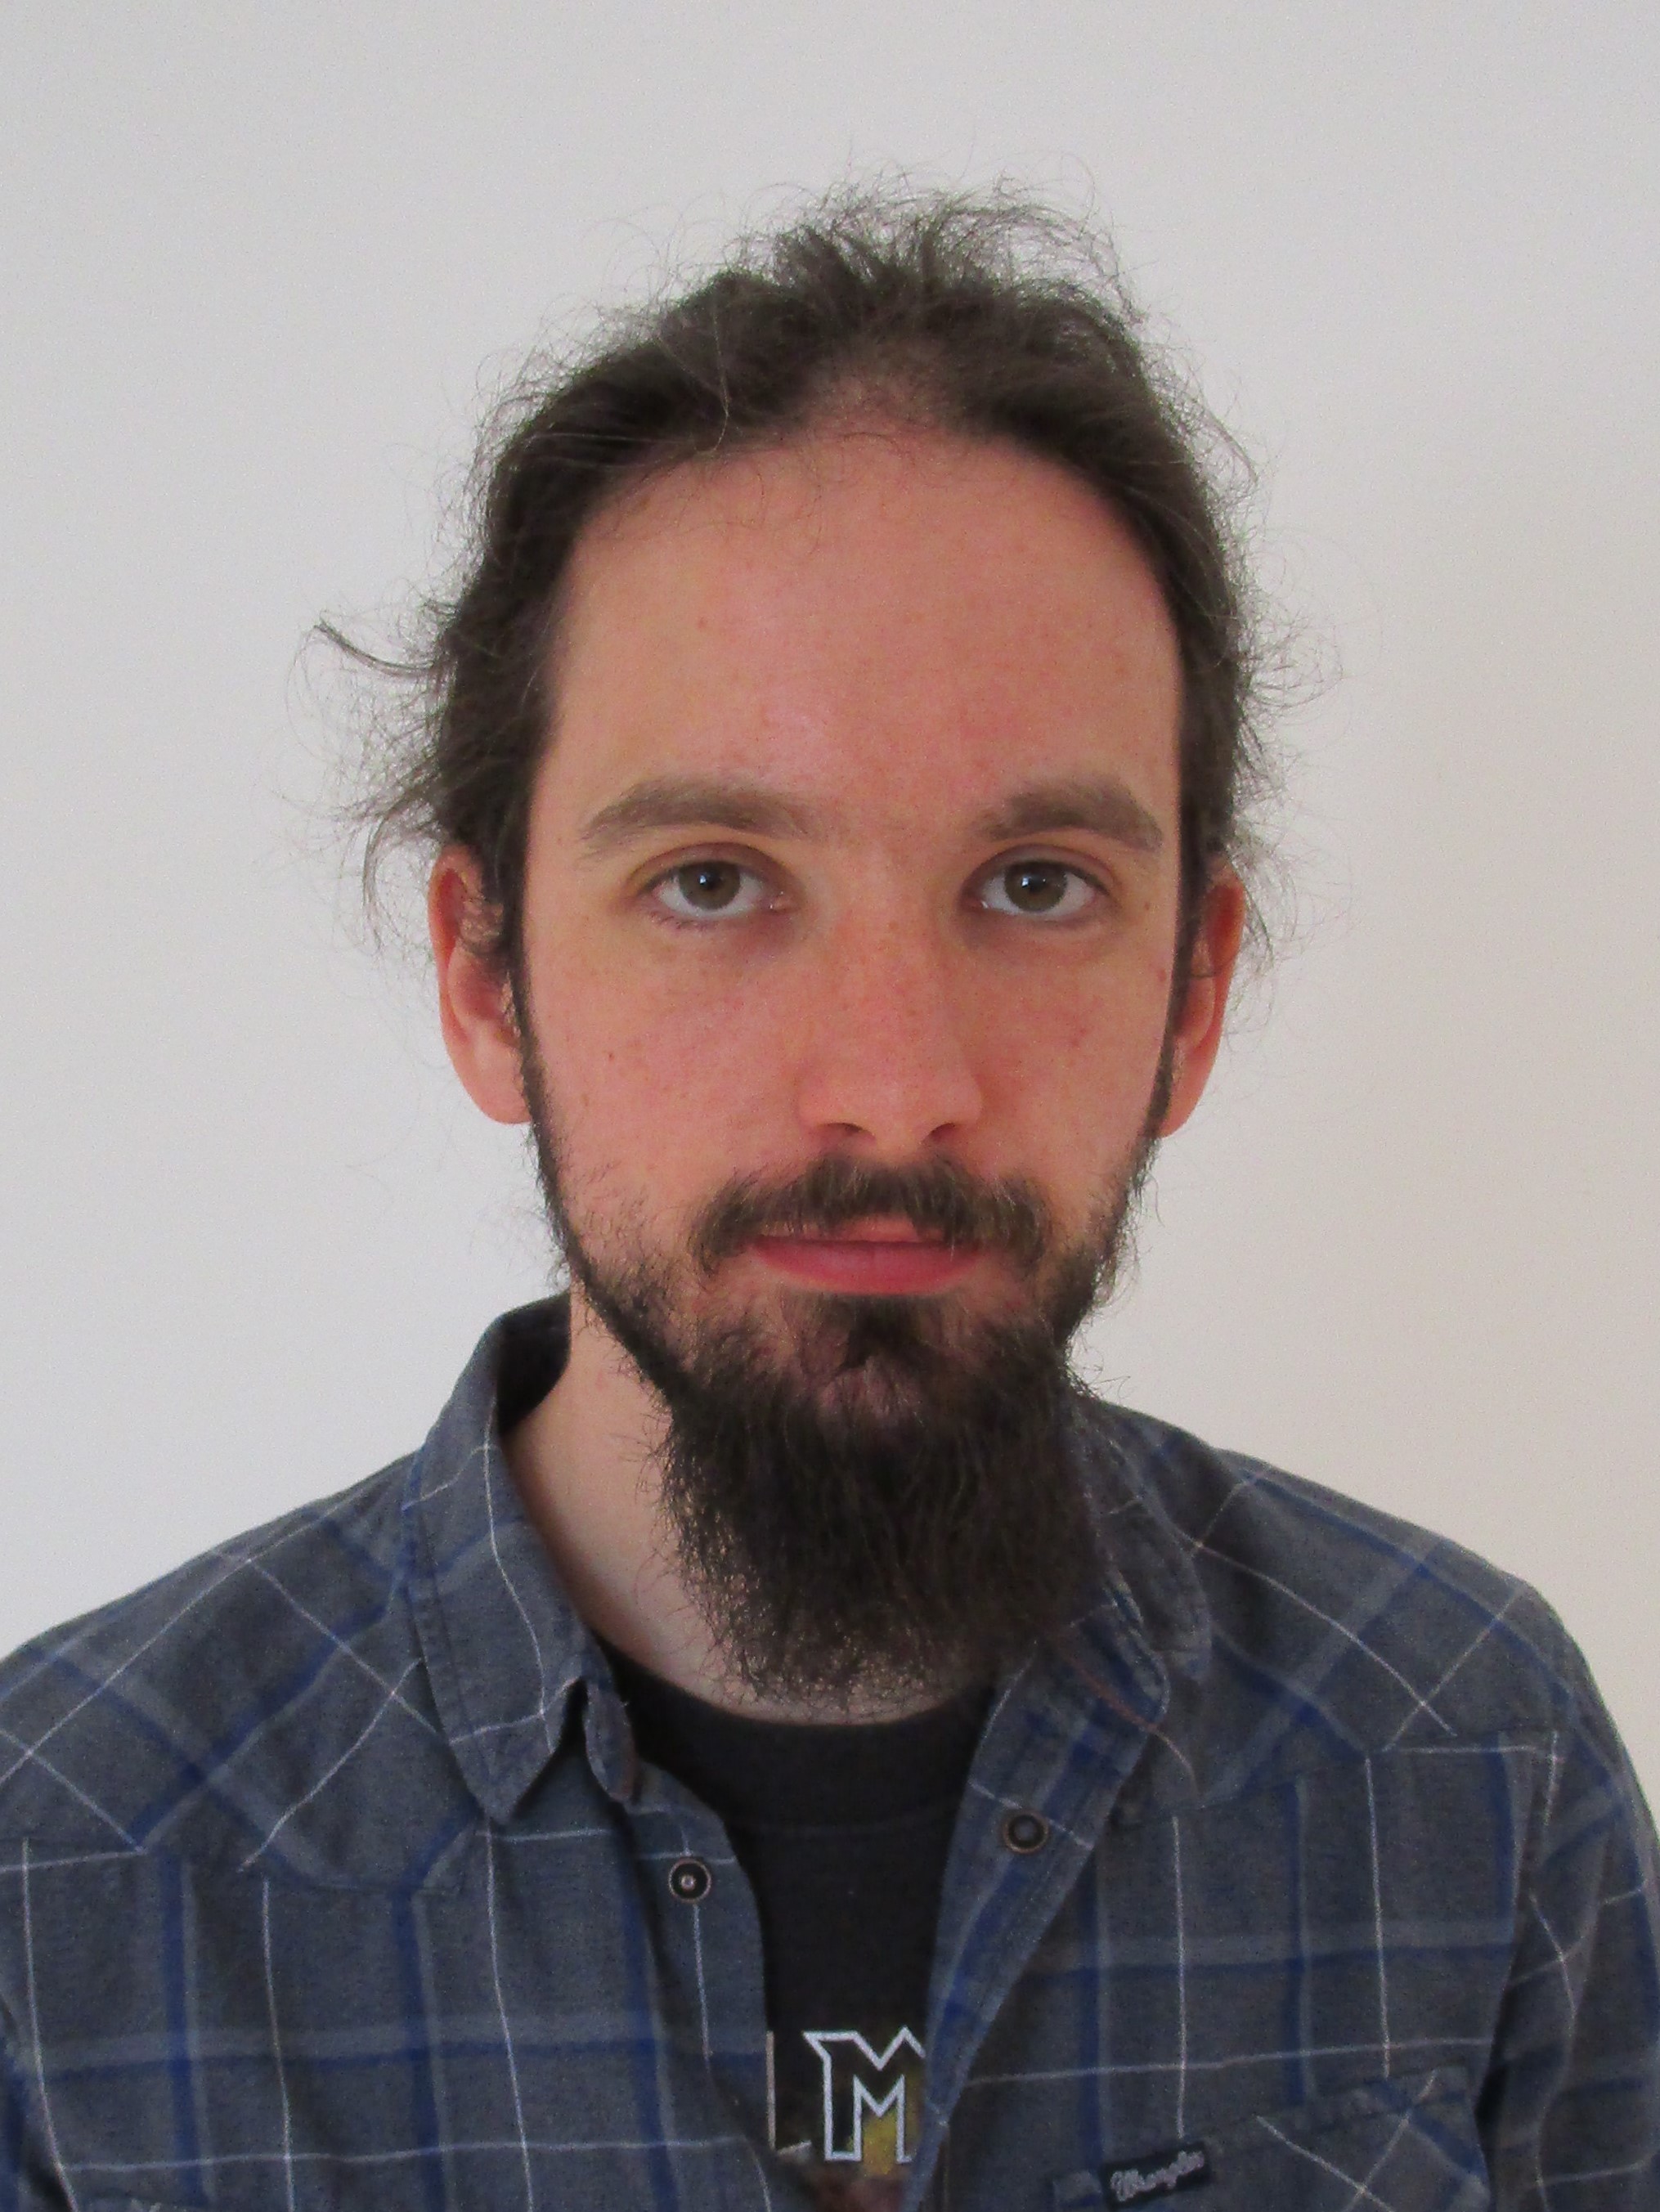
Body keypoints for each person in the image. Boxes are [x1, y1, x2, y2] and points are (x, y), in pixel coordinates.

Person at [0, 189, 1653, 2212]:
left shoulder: (1473, 1763)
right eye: (711, 881)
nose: (892, 1081)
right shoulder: (60, 1875)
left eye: (1034, 885)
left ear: (1193, 990)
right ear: (487, 977)